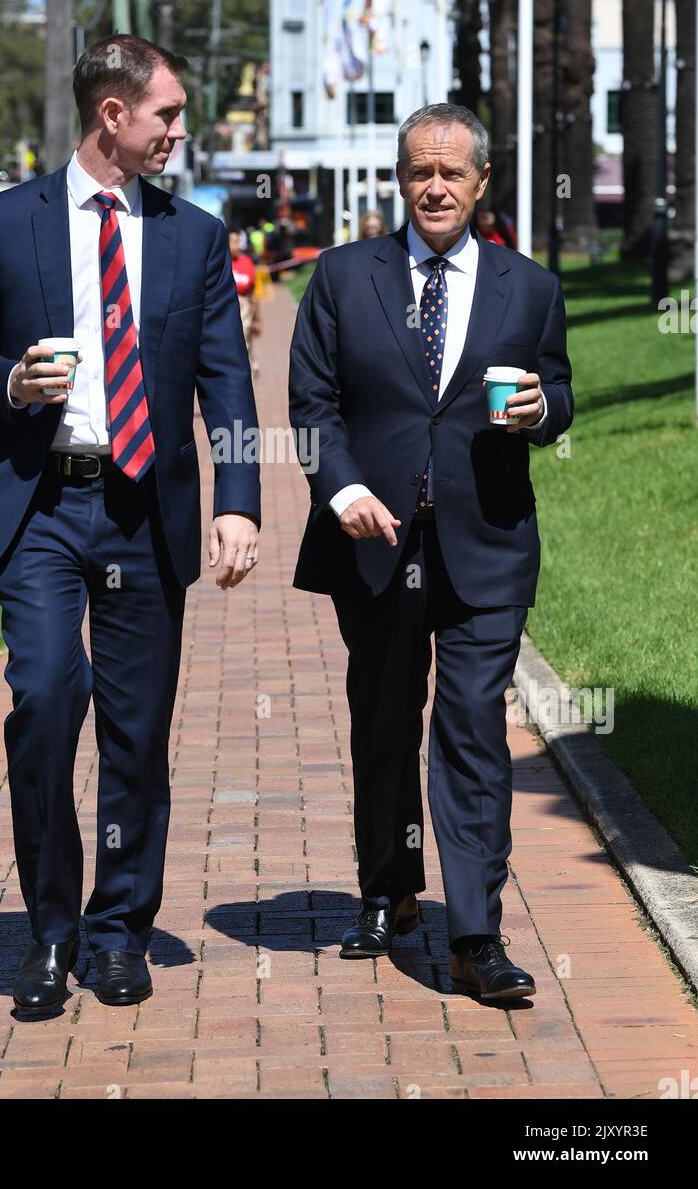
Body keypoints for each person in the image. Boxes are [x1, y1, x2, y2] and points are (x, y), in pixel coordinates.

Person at [0, 33, 261, 1015]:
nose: (178, 131)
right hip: (39, 505)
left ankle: (116, 934)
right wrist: (6, 380)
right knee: (42, 702)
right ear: (111, 114)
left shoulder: (193, 235)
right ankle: (48, 932)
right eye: (165, 114)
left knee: (135, 733)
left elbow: (226, 380)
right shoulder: (4, 222)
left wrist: (237, 499)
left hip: (141, 510)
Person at [288, 103, 572, 1002]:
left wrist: (542, 412)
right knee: (382, 720)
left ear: (482, 182)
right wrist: (340, 490)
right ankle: (389, 891)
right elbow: (312, 403)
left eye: (452, 172)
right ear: (399, 180)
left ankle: (475, 934)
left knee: (472, 730)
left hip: (485, 545)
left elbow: (559, 390)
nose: (435, 186)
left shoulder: (529, 288)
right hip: (373, 544)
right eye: (419, 171)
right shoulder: (341, 277)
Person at [229, 229, 257, 368]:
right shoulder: (222, 261)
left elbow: (252, 289)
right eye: (233, 242)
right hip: (227, 305)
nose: (237, 245)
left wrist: (256, 313)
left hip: (244, 305)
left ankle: (245, 365)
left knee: (245, 337)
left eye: (238, 241)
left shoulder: (246, 261)